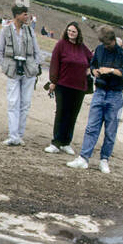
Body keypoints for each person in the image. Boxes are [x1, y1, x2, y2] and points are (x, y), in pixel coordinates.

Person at [67, 26, 123, 174]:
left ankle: (104, 160)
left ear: (113, 40)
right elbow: (93, 63)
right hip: (99, 92)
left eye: (108, 44)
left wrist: (110, 70)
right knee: (92, 127)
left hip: (115, 95)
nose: (106, 47)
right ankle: (83, 158)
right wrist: (95, 70)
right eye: (104, 44)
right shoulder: (100, 49)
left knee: (110, 131)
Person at [0, 4, 43, 146]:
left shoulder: (30, 31)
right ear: (17, 15)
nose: (27, 16)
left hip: (28, 70)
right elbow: (0, 52)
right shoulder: (5, 30)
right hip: (12, 70)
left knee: (25, 103)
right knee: (13, 102)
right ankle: (13, 135)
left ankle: (19, 135)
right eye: (24, 14)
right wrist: (5, 67)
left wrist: (35, 66)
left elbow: (37, 51)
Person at [45, 21, 89, 155]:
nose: (71, 33)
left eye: (74, 31)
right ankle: (56, 142)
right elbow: (54, 63)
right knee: (61, 114)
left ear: (78, 33)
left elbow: (92, 59)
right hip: (63, 85)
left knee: (72, 116)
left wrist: (90, 69)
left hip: (79, 87)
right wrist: (53, 81)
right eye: (69, 30)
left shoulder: (82, 47)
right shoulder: (61, 45)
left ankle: (66, 143)